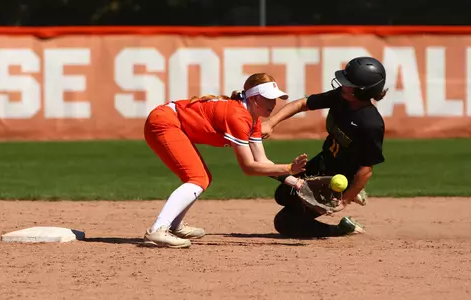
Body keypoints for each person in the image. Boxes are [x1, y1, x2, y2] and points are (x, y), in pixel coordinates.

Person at [142, 73, 309, 248]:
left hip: (171, 122)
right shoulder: (237, 116)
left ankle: (173, 225)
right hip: (164, 122)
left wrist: (298, 184)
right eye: (268, 98)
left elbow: (262, 162)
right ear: (255, 99)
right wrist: (290, 168)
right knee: (198, 178)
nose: (273, 104)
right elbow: (249, 167)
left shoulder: (254, 121)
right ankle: (158, 230)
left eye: (275, 98)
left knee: (202, 177)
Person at [262, 56, 388, 238]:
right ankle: (354, 193)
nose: (342, 85)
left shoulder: (370, 124)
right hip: (322, 162)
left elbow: (366, 169)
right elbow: (302, 104)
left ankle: (344, 227)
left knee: (285, 223)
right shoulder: (341, 98)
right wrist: (271, 122)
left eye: (348, 84)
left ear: (362, 91)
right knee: (283, 195)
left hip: (337, 179)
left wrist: (345, 199)